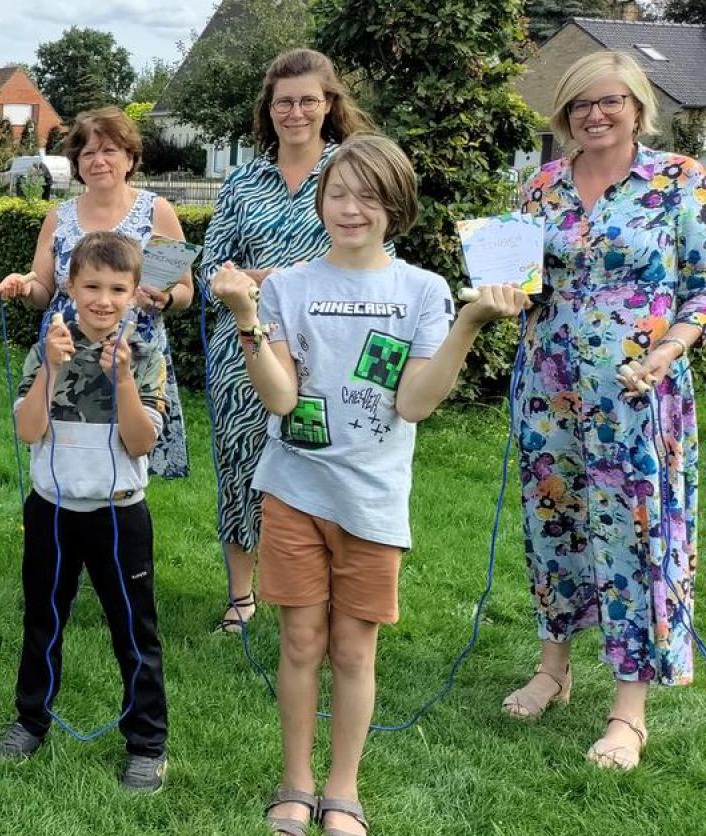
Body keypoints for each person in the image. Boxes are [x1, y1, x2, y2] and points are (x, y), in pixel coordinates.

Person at [209, 135, 527, 836]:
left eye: (369, 195)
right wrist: (246, 322)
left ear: (397, 206)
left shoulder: (424, 292)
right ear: (321, 200)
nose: (351, 209)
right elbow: (282, 401)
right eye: (338, 193)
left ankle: (342, 790)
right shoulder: (287, 287)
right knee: (299, 644)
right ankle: (295, 783)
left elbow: (414, 403)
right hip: (294, 490)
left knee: (354, 651)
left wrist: (469, 325)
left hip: (374, 502)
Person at [503, 50, 702, 771]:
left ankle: (629, 709)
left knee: (635, 538)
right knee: (552, 524)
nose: (595, 114)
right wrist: (502, 292)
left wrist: (669, 350)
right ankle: (553, 668)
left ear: (639, 106)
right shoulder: (541, 186)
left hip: (635, 394)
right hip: (548, 390)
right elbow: (520, 283)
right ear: (564, 112)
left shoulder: (679, 180)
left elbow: (701, 291)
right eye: (581, 103)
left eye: (610, 101)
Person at [194, 48, 376, 634]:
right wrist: (247, 282)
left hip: (327, 349)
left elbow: (376, 256)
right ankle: (242, 594)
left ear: (329, 106)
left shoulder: (353, 173)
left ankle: (317, 591)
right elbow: (210, 268)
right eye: (283, 102)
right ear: (267, 110)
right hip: (242, 345)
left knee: (318, 464)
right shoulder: (244, 180)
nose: (294, 112)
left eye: (307, 100)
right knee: (240, 463)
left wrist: (273, 278)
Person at [0, 231, 171, 793]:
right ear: (69, 286)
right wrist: (50, 368)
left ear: (135, 292)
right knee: (43, 619)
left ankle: (147, 743)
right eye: (91, 285)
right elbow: (28, 430)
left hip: (120, 516)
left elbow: (142, 443)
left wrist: (121, 381)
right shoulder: (49, 346)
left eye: (118, 288)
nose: (103, 298)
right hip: (53, 509)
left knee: (134, 630)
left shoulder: (146, 357)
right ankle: (30, 719)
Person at [0, 107, 194, 481]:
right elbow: (44, 288)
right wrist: (24, 288)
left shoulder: (157, 210)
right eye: (87, 153)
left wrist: (166, 299)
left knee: (127, 454)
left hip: (131, 353)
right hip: (65, 354)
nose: (98, 161)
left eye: (109, 151)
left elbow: (185, 289)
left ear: (130, 158)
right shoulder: (59, 216)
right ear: (76, 163)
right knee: (63, 451)